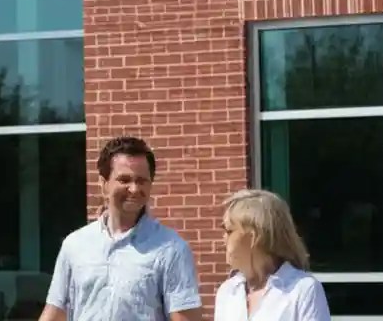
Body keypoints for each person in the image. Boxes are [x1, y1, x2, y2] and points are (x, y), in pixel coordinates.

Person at [39, 136, 203, 321]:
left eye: (142, 181)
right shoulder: (75, 246)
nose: (134, 189)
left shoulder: (171, 250)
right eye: (124, 180)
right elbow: (56, 313)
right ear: (104, 184)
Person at [213, 189, 331, 321]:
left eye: (229, 231)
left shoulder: (303, 289)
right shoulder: (227, 291)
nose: (223, 239)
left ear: (255, 237)